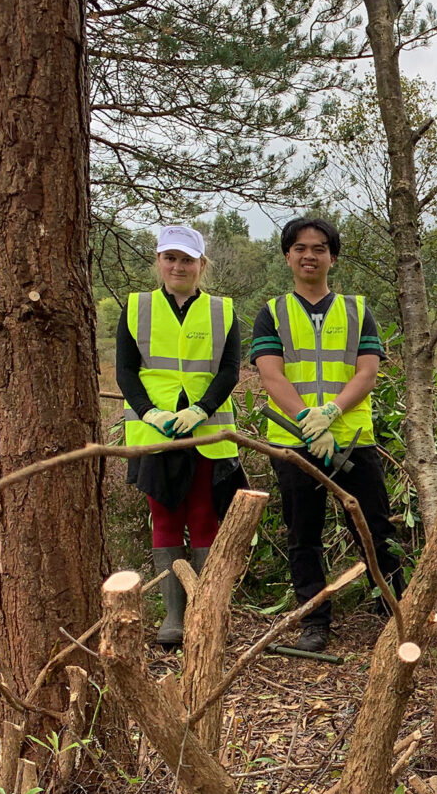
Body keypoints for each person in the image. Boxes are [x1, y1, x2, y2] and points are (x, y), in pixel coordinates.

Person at [251, 217, 405, 653]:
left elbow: (368, 372)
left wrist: (332, 411)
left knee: (375, 528)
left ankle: (395, 612)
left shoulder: (357, 310)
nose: (309, 255)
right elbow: (271, 375)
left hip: (354, 440)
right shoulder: (273, 312)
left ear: (332, 258)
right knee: (303, 534)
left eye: (319, 248)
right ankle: (313, 623)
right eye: (300, 248)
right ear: (287, 256)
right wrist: (307, 420)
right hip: (295, 443)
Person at [117, 224, 248, 648]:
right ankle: (174, 617)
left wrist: (200, 409)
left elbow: (229, 370)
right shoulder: (136, 308)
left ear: (201, 265)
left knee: (204, 518)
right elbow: (125, 371)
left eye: (187, 259)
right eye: (170, 258)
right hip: (153, 433)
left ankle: (205, 614)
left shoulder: (222, 310)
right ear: (158, 262)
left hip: (206, 433)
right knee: (165, 519)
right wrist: (149, 411)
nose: (178, 266)